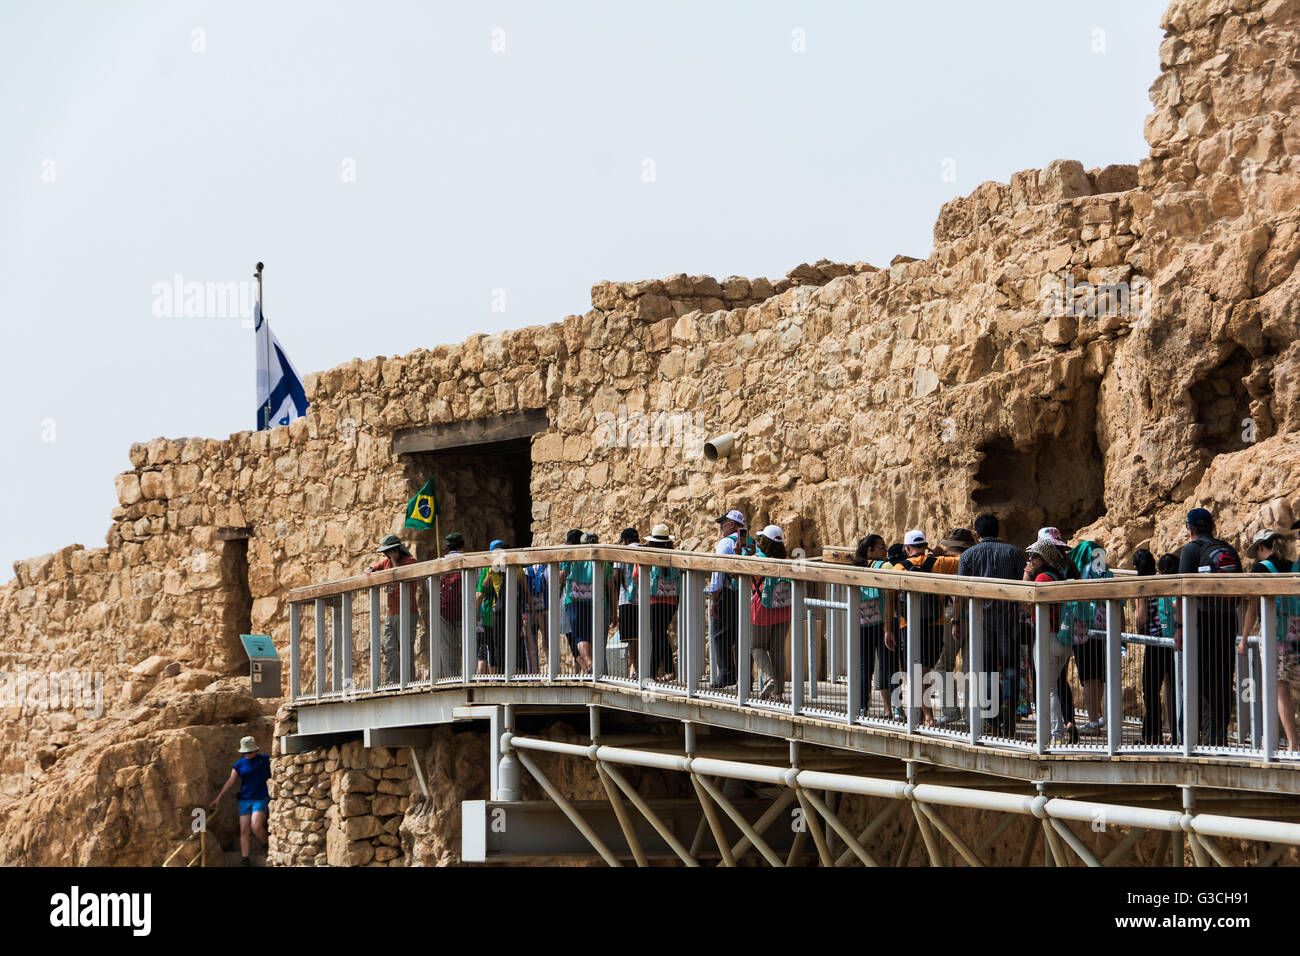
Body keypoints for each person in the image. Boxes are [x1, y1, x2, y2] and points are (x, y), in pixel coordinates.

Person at [1176, 507, 1242, 747]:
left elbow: (1183, 593)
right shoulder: (1229, 550)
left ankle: (1190, 739)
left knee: (1194, 679)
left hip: (1200, 624)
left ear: (1189, 528)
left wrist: (1179, 627)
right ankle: (1218, 737)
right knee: (1223, 680)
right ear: (1212, 527)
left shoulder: (1191, 550)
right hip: (1227, 623)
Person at [956, 514, 1026, 737]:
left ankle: (991, 719)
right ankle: (1010, 705)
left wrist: (956, 620)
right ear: (998, 531)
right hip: (1009, 617)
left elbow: (960, 592)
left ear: (977, 534)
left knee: (986, 671)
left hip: (981, 621)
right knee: (1011, 667)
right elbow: (1023, 585)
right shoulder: (1014, 553)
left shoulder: (967, 556)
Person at [888, 530, 959, 726]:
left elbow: (890, 600)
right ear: (925, 545)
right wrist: (941, 551)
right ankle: (924, 713)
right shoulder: (939, 563)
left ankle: (925, 715)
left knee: (918, 671)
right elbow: (964, 559)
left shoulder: (899, 569)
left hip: (908, 624)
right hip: (935, 624)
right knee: (926, 670)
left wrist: (888, 628)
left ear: (906, 548)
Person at [1238, 529, 1300, 750]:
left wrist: (1244, 639)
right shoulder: (1294, 566)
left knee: (1280, 688)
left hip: (1277, 634)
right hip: (1298, 632)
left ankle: (1293, 744)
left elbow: (1253, 609)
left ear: (1262, 547)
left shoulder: (1261, 569)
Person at [1023, 539, 1077, 744]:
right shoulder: (1059, 575)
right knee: (1054, 685)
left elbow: (1027, 602)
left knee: (1049, 689)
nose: (1030, 560)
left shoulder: (1043, 578)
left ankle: (1055, 734)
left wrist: (1027, 576)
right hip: (1063, 639)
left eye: (1034, 556)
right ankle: (1052, 731)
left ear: (1043, 558)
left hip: (1048, 636)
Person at [1065, 539, 1110, 732]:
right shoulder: (1106, 574)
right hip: (1105, 629)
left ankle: (1092, 721)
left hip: (1085, 631)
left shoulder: (1079, 576)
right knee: (1099, 677)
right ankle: (1097, 717)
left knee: (1089, 678)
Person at [1133, 548, 1177, 745]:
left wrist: (1138, 604)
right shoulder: (1163, 579)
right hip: (1174, 639)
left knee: (1151, 689)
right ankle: (1178, 734)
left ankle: (1152, 734)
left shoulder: (1144, 585)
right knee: (1173, 688)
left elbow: (1141, 619)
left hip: (1155, 642)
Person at [365, 534, 421, 686]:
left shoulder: (410, 561)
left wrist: (396, 561)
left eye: (389, 551)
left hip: (407, 612)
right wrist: (370, 569)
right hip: (392, 613)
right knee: (389, 647)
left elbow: (408, 572)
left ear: (396, 550)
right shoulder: (386, 562)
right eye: (385, 553)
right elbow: (374, 569)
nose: (386, 555)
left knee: (405, 648)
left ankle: (408, 680)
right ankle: (392, 681)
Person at [853, 534, 897, 718]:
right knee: (889, 666)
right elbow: (892, 595)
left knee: (865, 666)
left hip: (863, 622)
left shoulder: (858, 567)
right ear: (870, 550)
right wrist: (889, 628)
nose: (885, 550)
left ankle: (862, 707)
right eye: (881, 547)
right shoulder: (886, 566)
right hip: (884, 623)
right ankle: (895, 708)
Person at [209, 736, 270, 867]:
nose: (248, 754)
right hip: (244, 800)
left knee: (256, 826)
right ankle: (245, 859)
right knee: (244, 830)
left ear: (255, 750)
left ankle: (266, 846)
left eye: (250, 751)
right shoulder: (239, 764)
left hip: (261, 798)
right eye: (246, 752)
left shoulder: (264, 759)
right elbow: (231, 781)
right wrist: (218, 798)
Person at [705, 510, 750, 688]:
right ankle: (746, 676)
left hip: (728, 593)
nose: (721, 528)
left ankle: (726, 674)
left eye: (723, 524)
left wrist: (714, 599)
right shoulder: (750, 543)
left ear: (731, 524)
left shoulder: (725, 543)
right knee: (742, 635)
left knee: (719, 635)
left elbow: (718, 572)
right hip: (746, 594)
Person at [750, 525, 792, 700]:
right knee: (777, 650)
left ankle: (768, 678)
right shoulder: (786, 560)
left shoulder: (756, 559)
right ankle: (779, 693)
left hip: (763, 608)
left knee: (757, 646)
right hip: (783, 608)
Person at [475, 540, 525, 675]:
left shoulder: (490, 569)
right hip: (513, 611)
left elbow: (482, 588)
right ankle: (516, 673)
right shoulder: (517, 568)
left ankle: (498, 675)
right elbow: (525, 588)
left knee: (495, 646)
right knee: (516, 643)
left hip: (493, 613)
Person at [640, 524, 680, 680]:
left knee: (657, 633)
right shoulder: (674, 555)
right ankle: (652, 672)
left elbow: (638, 576)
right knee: (659, 633)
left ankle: (669, 669)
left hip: (655, 599)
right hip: (672, 599)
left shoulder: (650, 556)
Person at [558, 529, 594, 672]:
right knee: (587, 634)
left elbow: (562, 577)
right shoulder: (589, 553)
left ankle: (590, 664)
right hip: (589, 598)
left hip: (573, 599)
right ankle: (588, 669)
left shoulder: (570, 555)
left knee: (578, 636)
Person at [611, 528, 640, 679]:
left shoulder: (621, 552)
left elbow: (616, 577)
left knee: (632, 638)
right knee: (644, 635)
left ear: (625, 540)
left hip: (627, 600)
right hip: (646, 600)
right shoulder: (645, 550)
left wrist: (613, 604)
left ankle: (637, 668)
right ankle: (643, 668)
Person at [437, 532, 466, 678]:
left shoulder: (439, 563)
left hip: (444, 611)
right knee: (466, 644)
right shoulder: (467, 560)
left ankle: (451, 677)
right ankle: (469, 675)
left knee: (447, 646)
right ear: (463, 545)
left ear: (447, 548)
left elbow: (431, 586)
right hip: (464, 610)